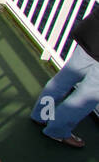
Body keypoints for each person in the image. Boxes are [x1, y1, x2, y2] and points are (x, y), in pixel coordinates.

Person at [31, 9, 99, 148]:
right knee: (89, 94)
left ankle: (41, 114)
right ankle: (57, 130)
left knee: (64, 79)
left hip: (92, 35)